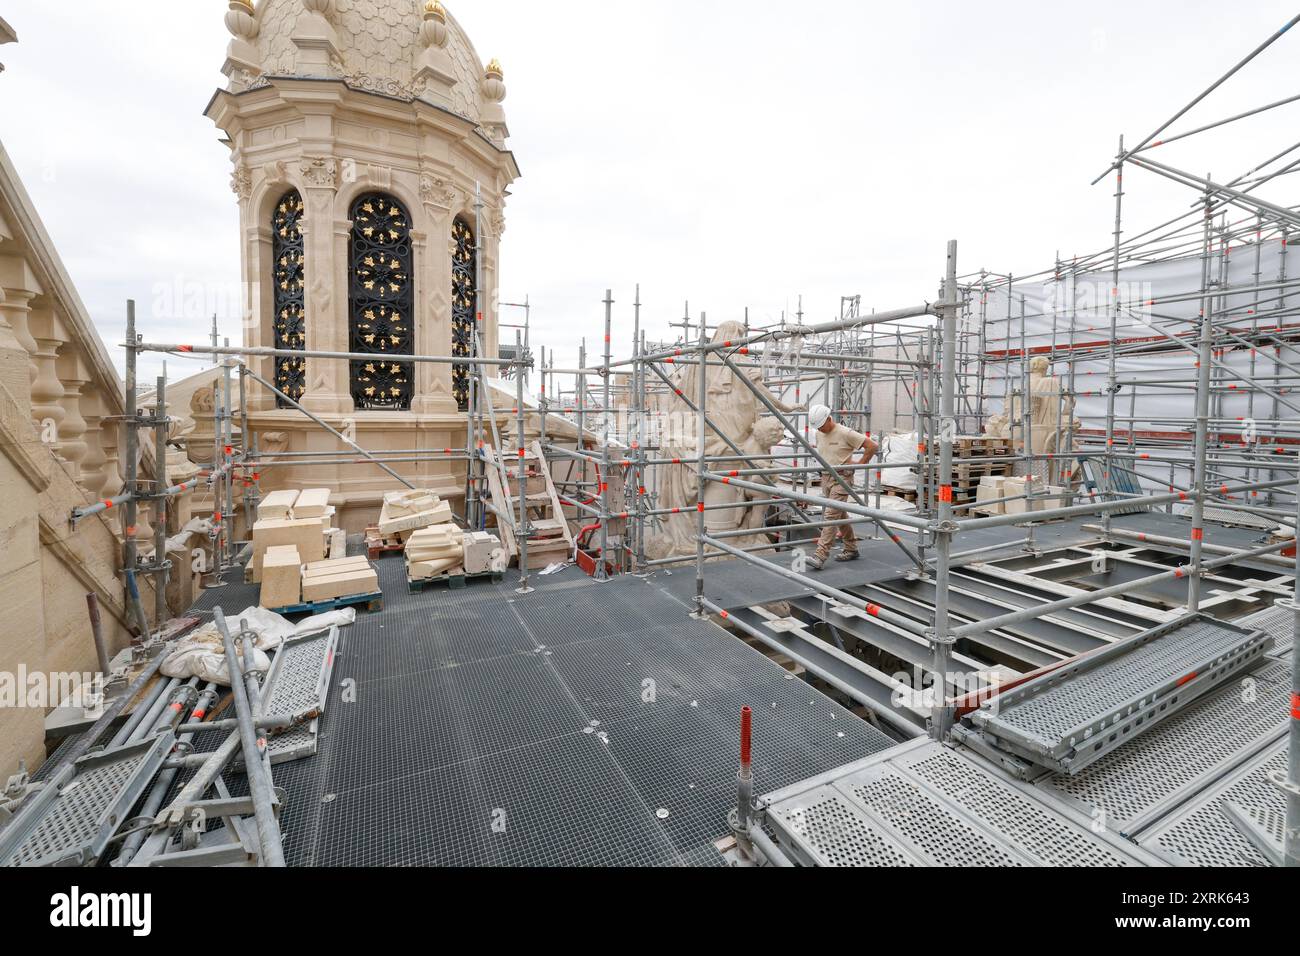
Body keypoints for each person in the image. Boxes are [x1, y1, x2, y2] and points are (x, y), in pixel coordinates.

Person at [806, 404, 878, 571]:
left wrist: (859, 465)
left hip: (842, 479)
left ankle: (820, 555)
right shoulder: (818, 433)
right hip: (826, 477)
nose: (820, 429)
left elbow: (872, 446)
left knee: (831, 515)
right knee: (840, 514)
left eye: (822, 425)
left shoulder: (845, 433)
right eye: (817, 427)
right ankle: (851, 548)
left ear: (829, 419)